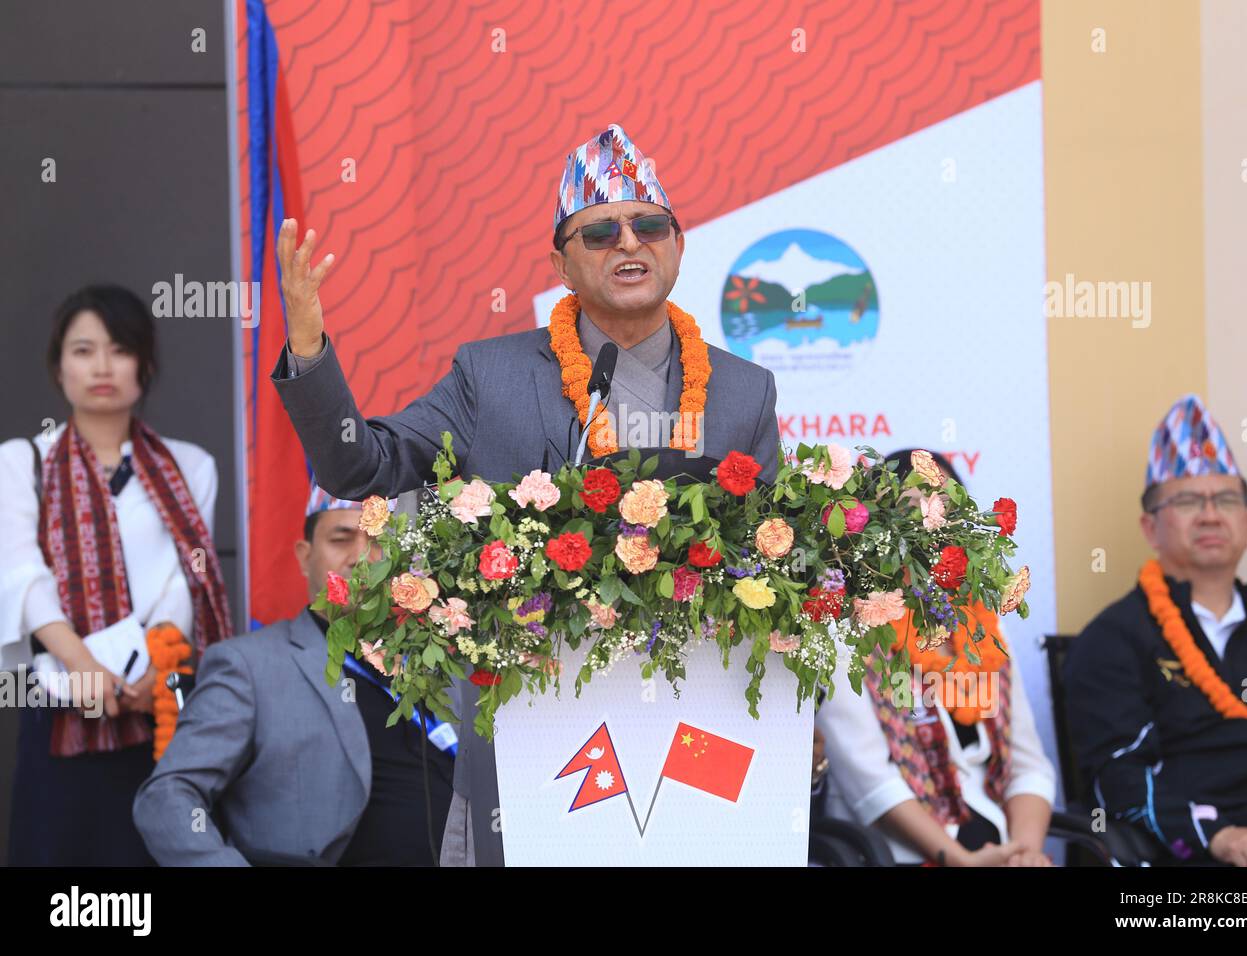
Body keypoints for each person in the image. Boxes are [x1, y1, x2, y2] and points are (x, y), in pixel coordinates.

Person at [268, 123, 782, 866]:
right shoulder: (492, 376)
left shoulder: (743, 391)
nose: (628, 242)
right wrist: (311, 349)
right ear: (561, 263)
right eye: (601, 230)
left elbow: (771, 568)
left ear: (677, 242)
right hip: (532, 748)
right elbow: (363, 469)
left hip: (689, 744)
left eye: (649, 225)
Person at [0, 284, 231, 865]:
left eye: (120, 348)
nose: (102, 366)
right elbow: (21, 575)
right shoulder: (21, 462)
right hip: (62, 709)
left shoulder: (190, 466)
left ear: (144, 365)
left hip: (159, 705)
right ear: (59, 367)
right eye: (83, 350)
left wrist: (155, 668)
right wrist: (84, 667)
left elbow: (189, 578)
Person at [134, 483, 459, 865]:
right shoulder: (249, 666)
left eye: (377, 542)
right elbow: (167, 796)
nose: (360, 557)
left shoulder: (444, 661)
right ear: (305, 557)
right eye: (341, 539)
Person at [1066, 395, 1247, 866]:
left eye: (1227, 499)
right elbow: (1116, 777)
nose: (1211, 514)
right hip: (1197, 853)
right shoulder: (1112, 640)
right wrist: (1218, 834)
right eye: (1189, 500)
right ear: (1150, 528)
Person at [817, 449, 1056, 866]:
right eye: (915, 508)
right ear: (876, 527)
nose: (933, 524)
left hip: (998, 840)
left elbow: (1028, 764)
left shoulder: (984, 625)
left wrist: (1027, 854)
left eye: (946, 507)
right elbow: (869, 781)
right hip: (895, 852)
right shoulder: (846, 630)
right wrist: (959, 860)